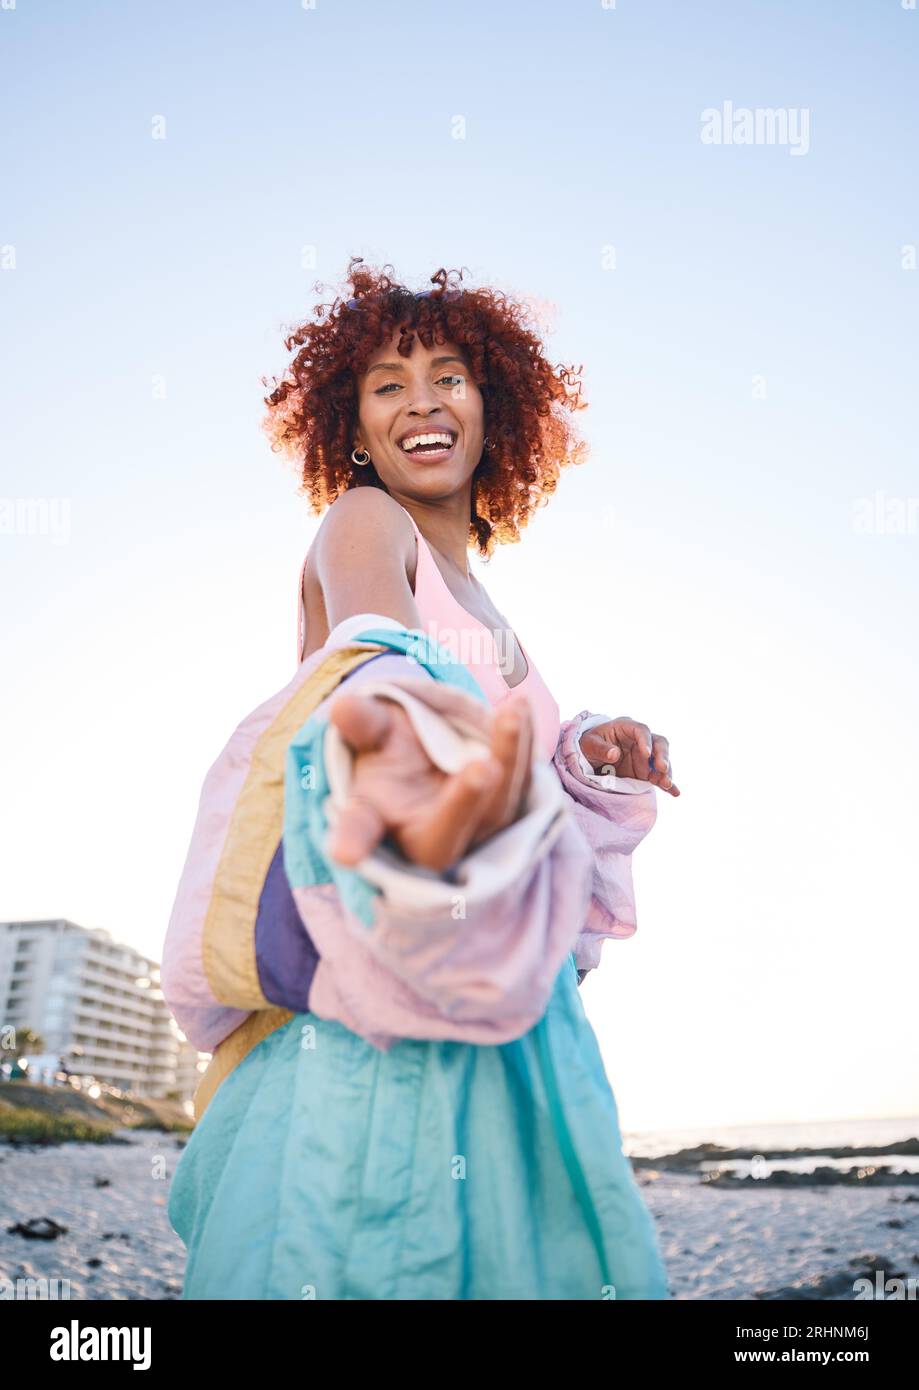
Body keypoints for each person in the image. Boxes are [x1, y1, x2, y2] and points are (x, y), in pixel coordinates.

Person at [165, 260, 679, 1300]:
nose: (422, 402)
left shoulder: (498, 612)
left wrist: (583, 756)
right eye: (387, 384)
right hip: (377, 1022)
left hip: (514, 1033)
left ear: (495, 407)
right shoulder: (367, 523)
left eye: (449, 375)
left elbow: (515, 824)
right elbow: (376, 676)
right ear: (352, 425)